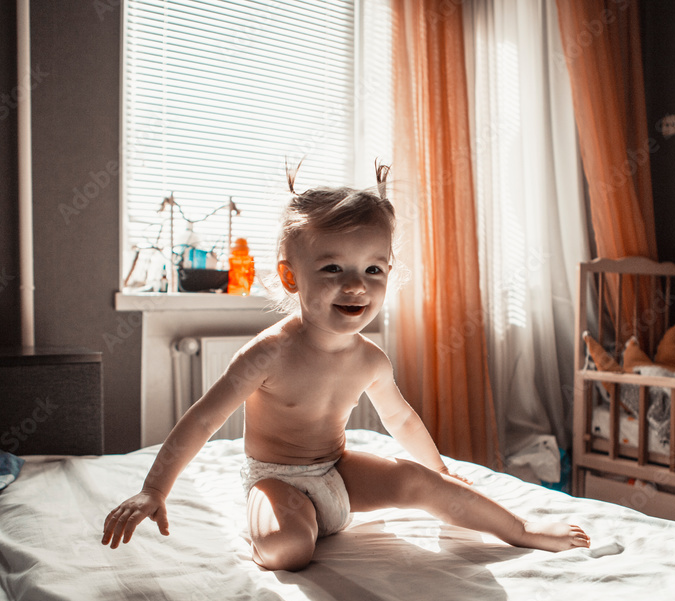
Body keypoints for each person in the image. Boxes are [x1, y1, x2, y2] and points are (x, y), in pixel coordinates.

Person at [102, 162, 590, 571]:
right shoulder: (267, 353)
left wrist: (438, 470)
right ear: (292, 277)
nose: (356, 285)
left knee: (423, 483)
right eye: (333, 268)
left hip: (340, 471)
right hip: (278, 478)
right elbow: (204, 419)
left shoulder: (370, 359)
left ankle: (520, 528)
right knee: (289, 550)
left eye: (372, 269)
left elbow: (400, 419)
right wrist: (153, 489)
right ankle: (266, 531)